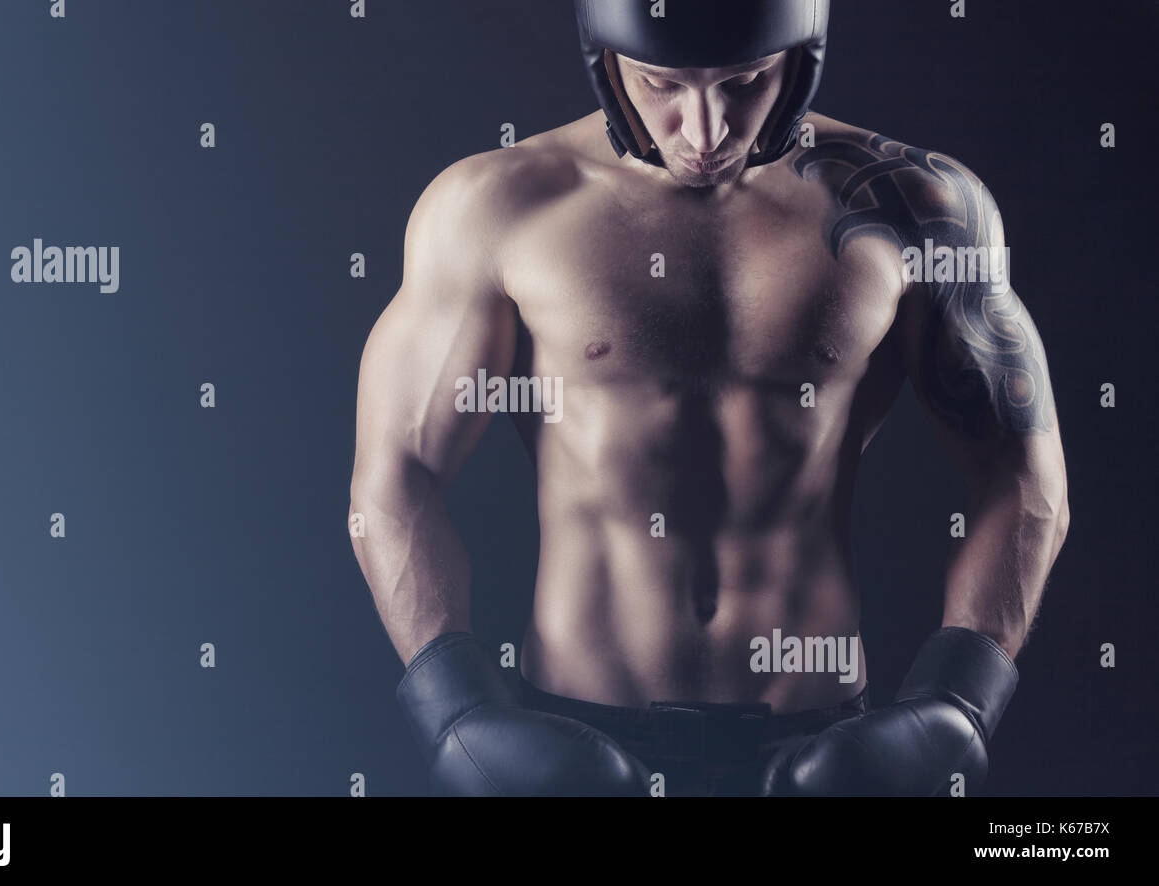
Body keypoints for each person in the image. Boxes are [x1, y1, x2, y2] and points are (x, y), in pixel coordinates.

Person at [349, 0, 1069, 796]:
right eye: (662, 85)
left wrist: (962, 696)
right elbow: (396, 478)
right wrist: (454, 706)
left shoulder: (916, 208)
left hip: (824, 743)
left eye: (746, 82)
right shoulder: (495, 207)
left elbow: (1023, 477)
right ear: (605, 59)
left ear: (803, 54)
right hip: (571, 737)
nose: (705, 130)